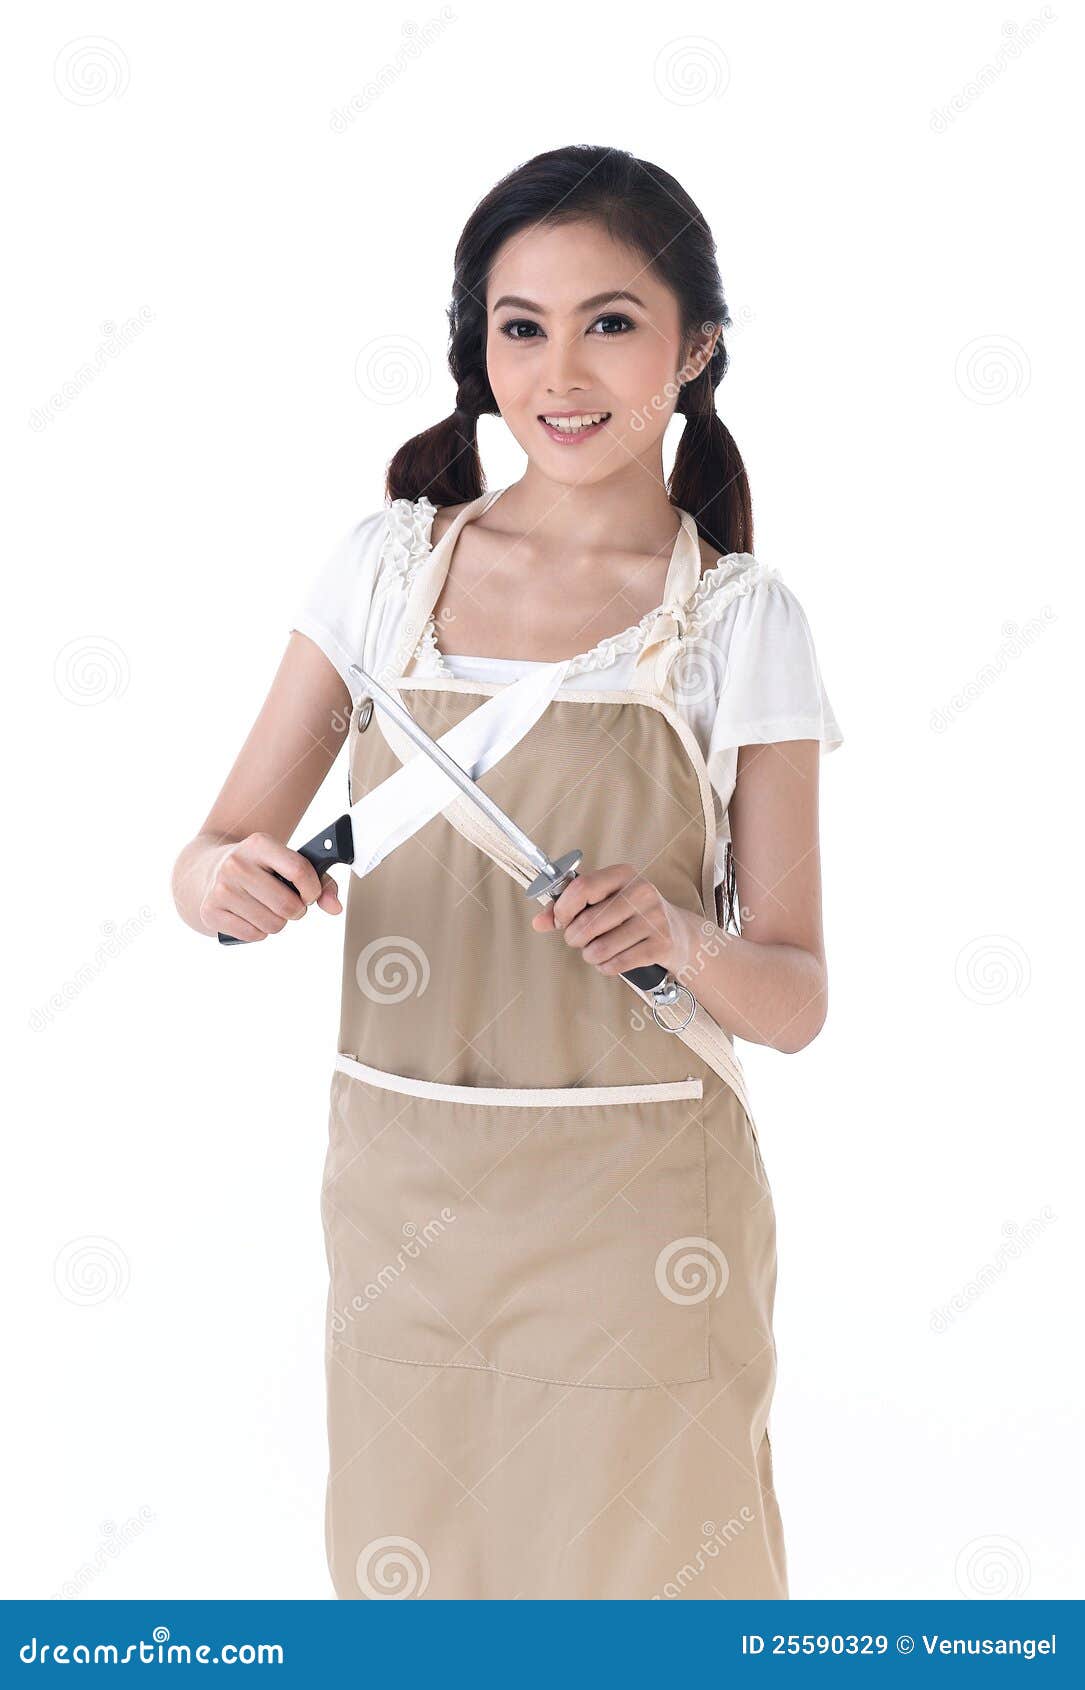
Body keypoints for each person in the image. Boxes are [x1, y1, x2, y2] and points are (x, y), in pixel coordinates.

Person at [172, 143, 843, 1600]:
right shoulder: (381, 570)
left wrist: (676, 928)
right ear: (478, 355)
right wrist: (231, 885)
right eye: (518, 325)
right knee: (422, 1591)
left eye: (610, 320)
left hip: (645, 1213)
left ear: (696, 347)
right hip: (408, 1193)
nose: (561, 368)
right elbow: (212, 850)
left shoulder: (737, 618)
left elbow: (790, 1000)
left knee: (658, 1586)